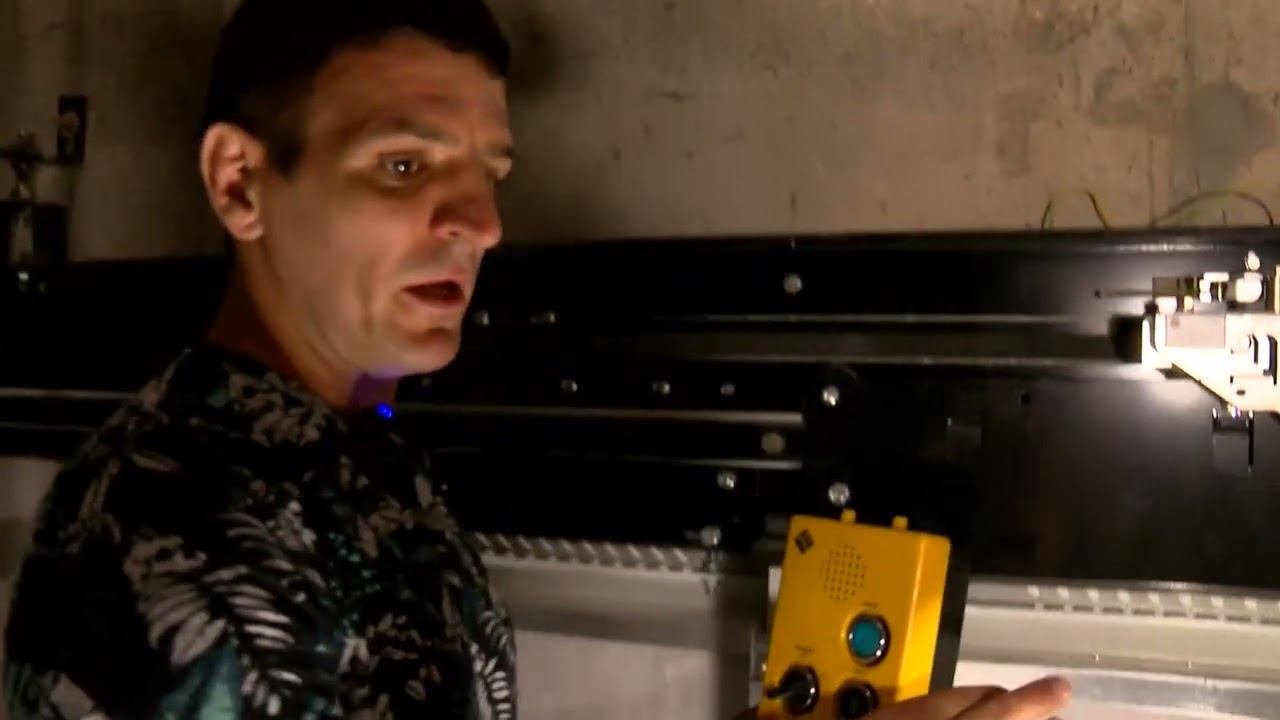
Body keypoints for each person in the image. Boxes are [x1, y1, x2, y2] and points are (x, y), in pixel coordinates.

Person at [3, 1, 1071, 719]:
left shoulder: (354, 454)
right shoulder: (179, 531)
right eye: (404, 165)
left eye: (489, 173)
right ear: (240, 183)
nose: (481, 223)